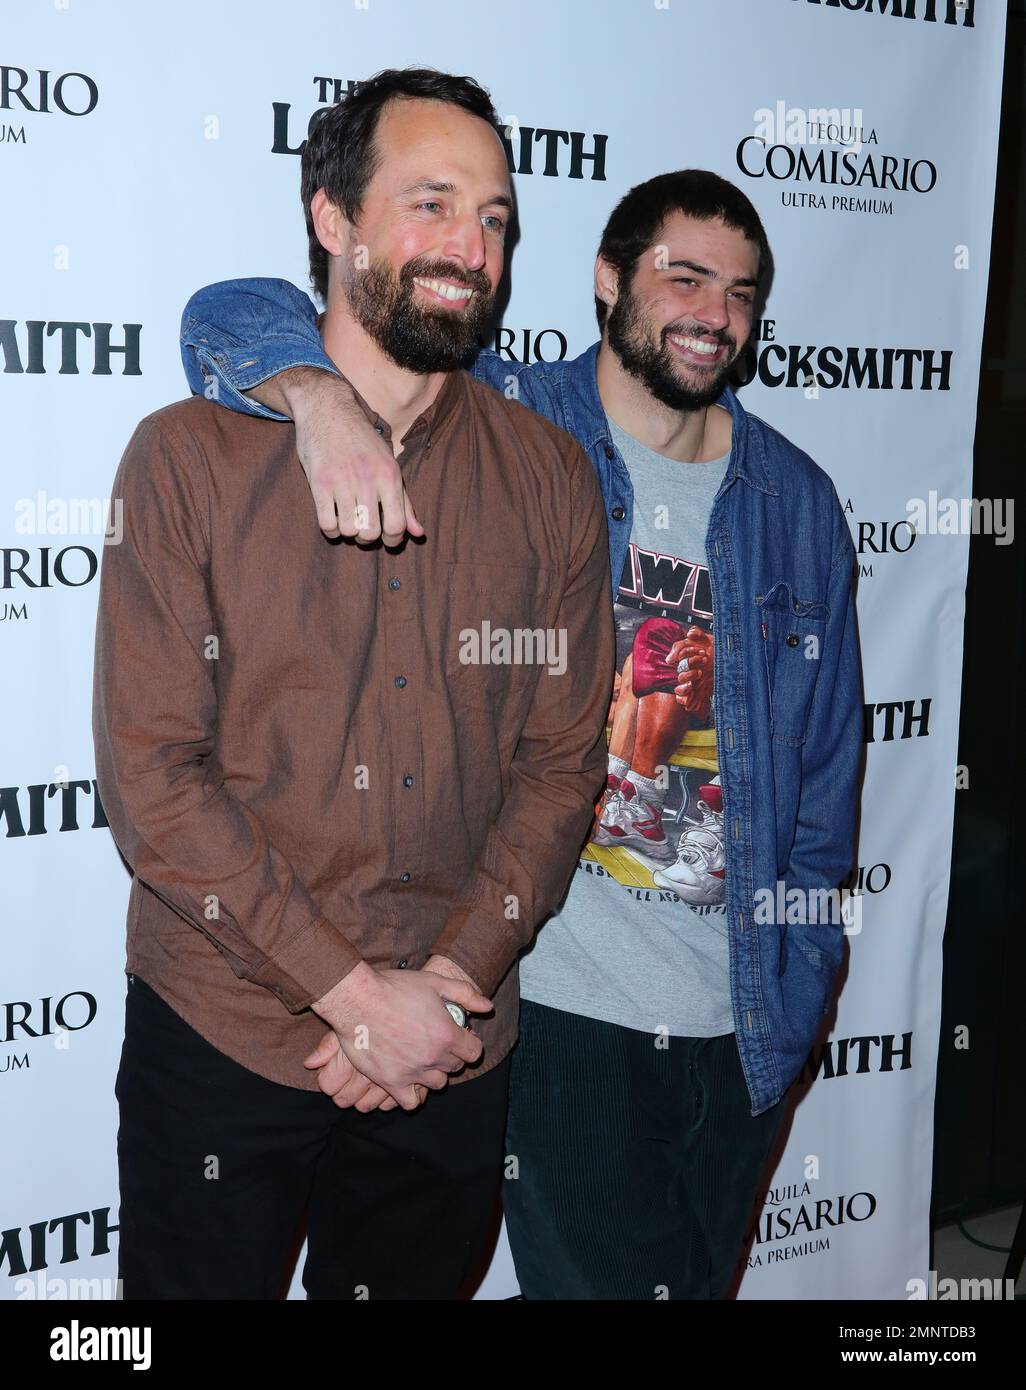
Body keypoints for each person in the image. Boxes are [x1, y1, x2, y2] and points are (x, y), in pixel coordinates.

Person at [180, 163, 864, 1298]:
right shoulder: (505, 415)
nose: (713, 315)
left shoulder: (797, 501)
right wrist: (317, 396)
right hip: (558, 1005)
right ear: (606, 280)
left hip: (742, 1021)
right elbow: (226, 315)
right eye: (682, 277)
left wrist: (802, 973)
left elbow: (828, 774)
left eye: (741, 295)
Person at [92, 66, 614, 1300]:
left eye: (493, 216)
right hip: (225, 1030)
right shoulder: (187, 460)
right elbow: (153, 782)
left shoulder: (548, 478)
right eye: (431, 202)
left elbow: (559, 763)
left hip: (449, 1046)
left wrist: (448, 986)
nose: (471, 246)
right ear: (332, 218)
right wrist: (346, 994)